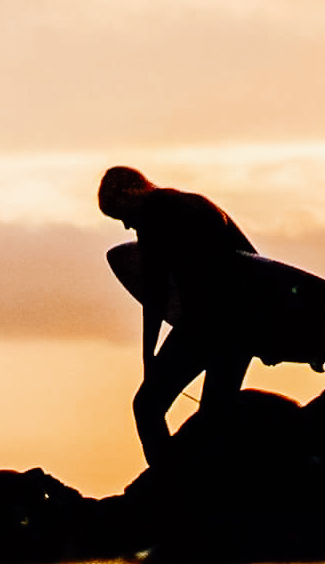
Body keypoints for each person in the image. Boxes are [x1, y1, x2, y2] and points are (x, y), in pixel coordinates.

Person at [98, 166, 257, 466]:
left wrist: (149, 356)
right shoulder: (199, 202)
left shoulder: (153, 216)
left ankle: (168, 480)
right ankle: (207, 484)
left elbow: (155, 293)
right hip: (239, 328)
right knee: (214, 417)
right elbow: (256, 264)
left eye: (121, 216)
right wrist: (288, 336)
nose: (126, 226)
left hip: (202, 325)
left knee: (146, 406)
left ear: (130, 197)